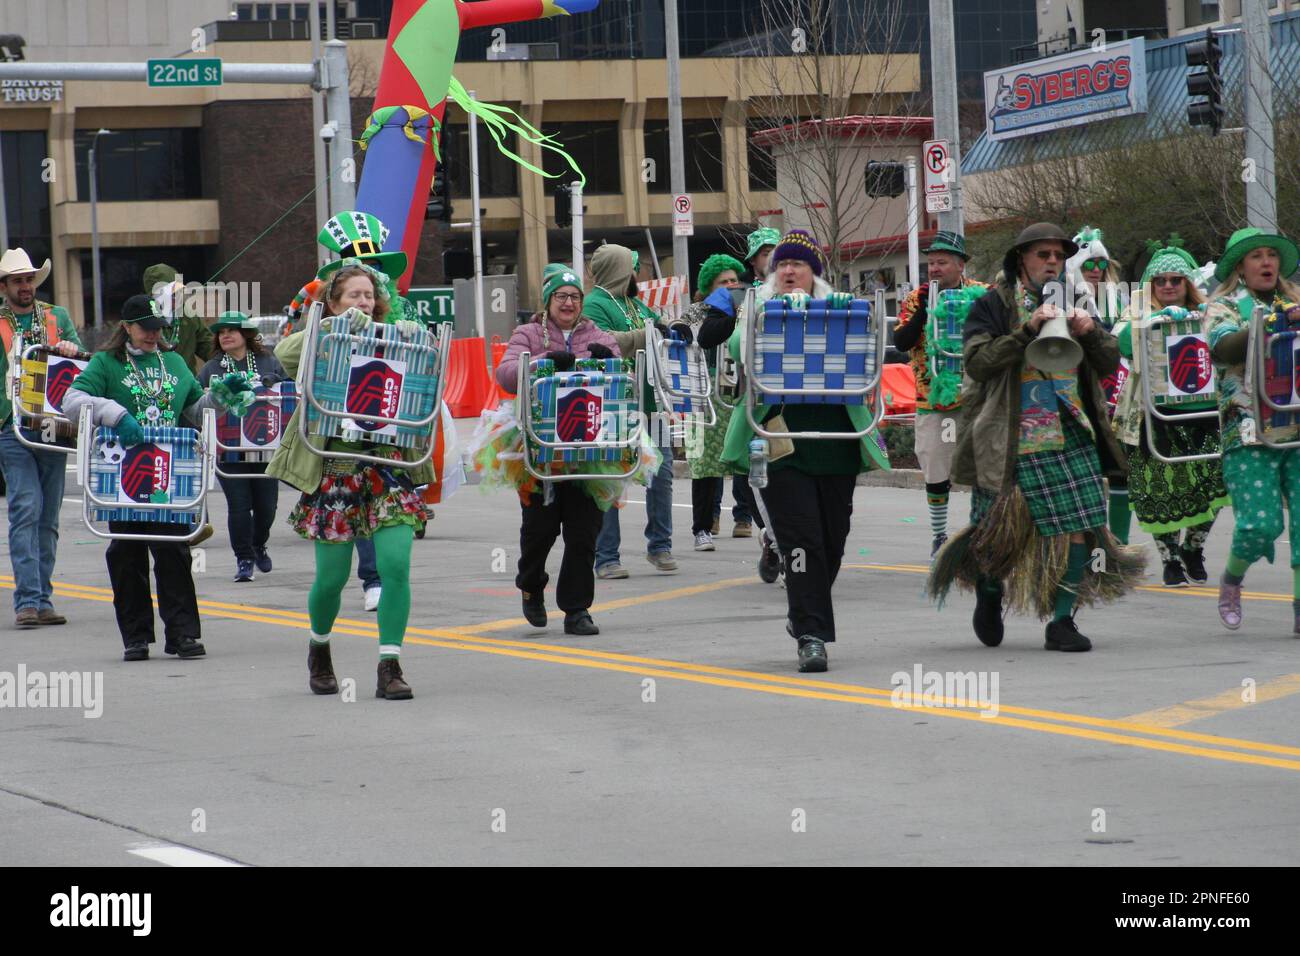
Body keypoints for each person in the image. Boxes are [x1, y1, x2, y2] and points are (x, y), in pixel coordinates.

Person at [927, 223, 1144, 653]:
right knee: (997, 538)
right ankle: (990, 594)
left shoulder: (1078, 300)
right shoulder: (992, 304)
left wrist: (1091, 333)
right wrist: (1025, 331)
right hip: (1010, 438)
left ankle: (1062, 622)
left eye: (1058, 256)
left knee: (1080, 527)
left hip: (1070, 431)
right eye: (1042, 254)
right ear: (1021, 258)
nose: (1051, 262)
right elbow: (977, 363)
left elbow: (1108, 361)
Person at [698, 229, 890, 673]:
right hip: (780, 437)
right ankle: (811, 633)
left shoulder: (842, 308)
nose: (788, 269)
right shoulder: (758, 309)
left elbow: (871, 350)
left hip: (837, 437)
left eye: (798, 264)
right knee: (800, 538)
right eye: (782, 263)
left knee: (832, 539)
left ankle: (804, 612)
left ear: (813, 273)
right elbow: (734, 348)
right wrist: (768, 316)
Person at [268, 261, 431, 699]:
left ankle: (390, 665)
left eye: (368, 296)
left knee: (395, 567)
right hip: (337, 467)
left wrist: (421, 342)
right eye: (353, 296)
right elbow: (283, 357)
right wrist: (335, 327)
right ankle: (319, 647)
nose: (364, 302)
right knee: (332, 579)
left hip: (387, 466)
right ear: (334, 303)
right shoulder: (323, 339)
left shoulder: (395, 336)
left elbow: (429, 378)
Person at [62, 295, 250, 661]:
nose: (152, 334)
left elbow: (195, 409)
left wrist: (222, 396)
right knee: (126, 552)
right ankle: (135, 636)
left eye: (157, 328)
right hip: (124, 475)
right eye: (145, 328)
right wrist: (115, 414)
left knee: (174, 551)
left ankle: (182, 634)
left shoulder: (176, 362)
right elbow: (72, 399)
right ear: (127, 327)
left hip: (168, 473)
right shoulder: (106, 362)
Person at [495, 266, 621, 635]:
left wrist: (608, 363)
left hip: (589, 447)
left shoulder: (598, 334)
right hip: (540, 448)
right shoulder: (528, 333)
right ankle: (531, 587)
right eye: (561, 296)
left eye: (575, 297)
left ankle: (576, 609)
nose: (569, 303)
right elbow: (504, 376)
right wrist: (542, 362)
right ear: (548, 301)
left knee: (584, 532)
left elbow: (621, 379)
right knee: (540, 530)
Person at [1111, 238, 1228, 588]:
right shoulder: (1135, 311)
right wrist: (1152, 323)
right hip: (1152, 414)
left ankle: (1193, 547)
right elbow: (1120, 341)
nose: (1168, 286)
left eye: (1176, 280)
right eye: (1161, 281)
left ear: (1188, 283)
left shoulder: (1212, 311)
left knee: (1213, 481)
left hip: (1204, 412)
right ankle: (1170, 558)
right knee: (1159, 487)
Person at [1204, 228, 1300, 633]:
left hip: (1295, 421)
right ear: (1240, 268)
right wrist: (1274, 322)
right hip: (1247, 426)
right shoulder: (1224, 306)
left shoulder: (1296, 300)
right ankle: (1232, 578)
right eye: (1256, 256)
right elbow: (1222, 348)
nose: (1266, 262)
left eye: (1271, 255)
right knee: (1259, 525)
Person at [0, 248, 82, 628]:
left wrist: (69, 347)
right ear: (5, 287)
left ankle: (43, 598)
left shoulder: (56, 317)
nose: (26, 286)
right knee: (25, 509)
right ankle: (28, 601)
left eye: (29, 279)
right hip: (12, 427)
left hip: (53, 427)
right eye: (18, 281)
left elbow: (82, 361)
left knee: (47, 518)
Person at [891, 231, 987, 557]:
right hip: (933, 397)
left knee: (985, 468)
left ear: (960, 265)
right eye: (931, 263)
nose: (934, 268)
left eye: (942, 262)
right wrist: (925, 308)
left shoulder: (982, 295)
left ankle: (983, 530)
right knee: (935, 468)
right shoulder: (916, 298)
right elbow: (902, 342)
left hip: (978, 398)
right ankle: (939, 535)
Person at [583, 243, 676, 577]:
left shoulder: (634, 303)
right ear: (617, 270)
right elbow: (602, 342)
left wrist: (672, 327)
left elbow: (659, 327)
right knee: (611, 476)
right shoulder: (593, 304)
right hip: (614, 405)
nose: (635, 274)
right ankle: (607, 556)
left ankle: (660, 545)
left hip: (652, 400)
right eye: (630, 267)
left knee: (662, 472)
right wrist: (646, 333)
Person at [198, 311, 288, 583]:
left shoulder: (267, 359)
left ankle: (259, 544)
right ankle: (244, 559)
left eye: (231, 330)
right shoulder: (211, 368)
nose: (225, 335)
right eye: (221, 331)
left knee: (267, 506)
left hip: (265, 446)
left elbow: (288, 391)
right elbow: (198, 404)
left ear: (246, 334)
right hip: (228, 449)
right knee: (238, 505)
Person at [1066, 227, 1132, 543]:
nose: (1095, 271)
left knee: (1120, 470)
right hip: (1084, 394)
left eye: (1101, 264)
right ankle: (1092, 545)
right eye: (1088, 264)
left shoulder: (1120, 298)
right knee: (1089, 471)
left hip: (1119, 391)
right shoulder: (1065, 296)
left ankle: (1119, 545)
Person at [681, 253, 746, 551]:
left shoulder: (748, 307)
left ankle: (747, 518)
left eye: (734, 280)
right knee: (703, 464)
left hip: (736, 390)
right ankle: (702, 527)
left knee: (746, 457)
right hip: (701, 393)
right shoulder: (697, 311)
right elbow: (680, 328)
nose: (731, 286)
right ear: (709, 287)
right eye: (723, 282)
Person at [143, 263, 214, 374]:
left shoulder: (189, 315)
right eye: (171, 292)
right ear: (154, 294)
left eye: (179, 291)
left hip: (188, 384)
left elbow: (208, 346)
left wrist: (229, 353)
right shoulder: (142, 319)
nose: (177, 295)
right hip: (154, 384)